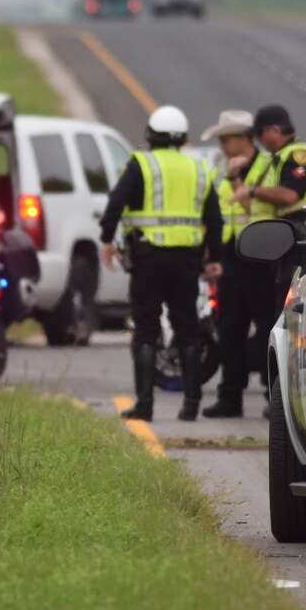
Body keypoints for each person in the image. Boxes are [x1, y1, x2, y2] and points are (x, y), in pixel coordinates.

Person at [100, 105, 223, 422]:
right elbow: (215, 218)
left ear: (150, 135)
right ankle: (191, 404)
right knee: (188, 331)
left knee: (145, 330)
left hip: (148, 258)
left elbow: (115, 203)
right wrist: (216, 258)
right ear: (182, 138)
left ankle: (145, 404)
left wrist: (106, 240)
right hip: (186, 260)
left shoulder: (141, 164)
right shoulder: (198, 168)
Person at [199, 110, 276, 419]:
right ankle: (230, 397)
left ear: (243, 138)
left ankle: (275, 397)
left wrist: (236, 179)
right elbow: (221, 214)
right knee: (230, 329)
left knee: (269, 328)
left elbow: (252, 206)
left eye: (225, 139)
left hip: (261, 258)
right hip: (232, 257)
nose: (221, 146)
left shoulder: (265, 166)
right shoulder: (225, 167)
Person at [251, 104, 306, 418]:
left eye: (262, 135)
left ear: (274, 130)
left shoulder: (298, 155)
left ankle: (285, 396)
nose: (262, 142)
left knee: (289, 317)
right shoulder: (278, 157)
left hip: (298, 238)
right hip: (285, 241)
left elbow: (290, 196)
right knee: (276, 316)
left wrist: (253, 191)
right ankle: (277, 393)